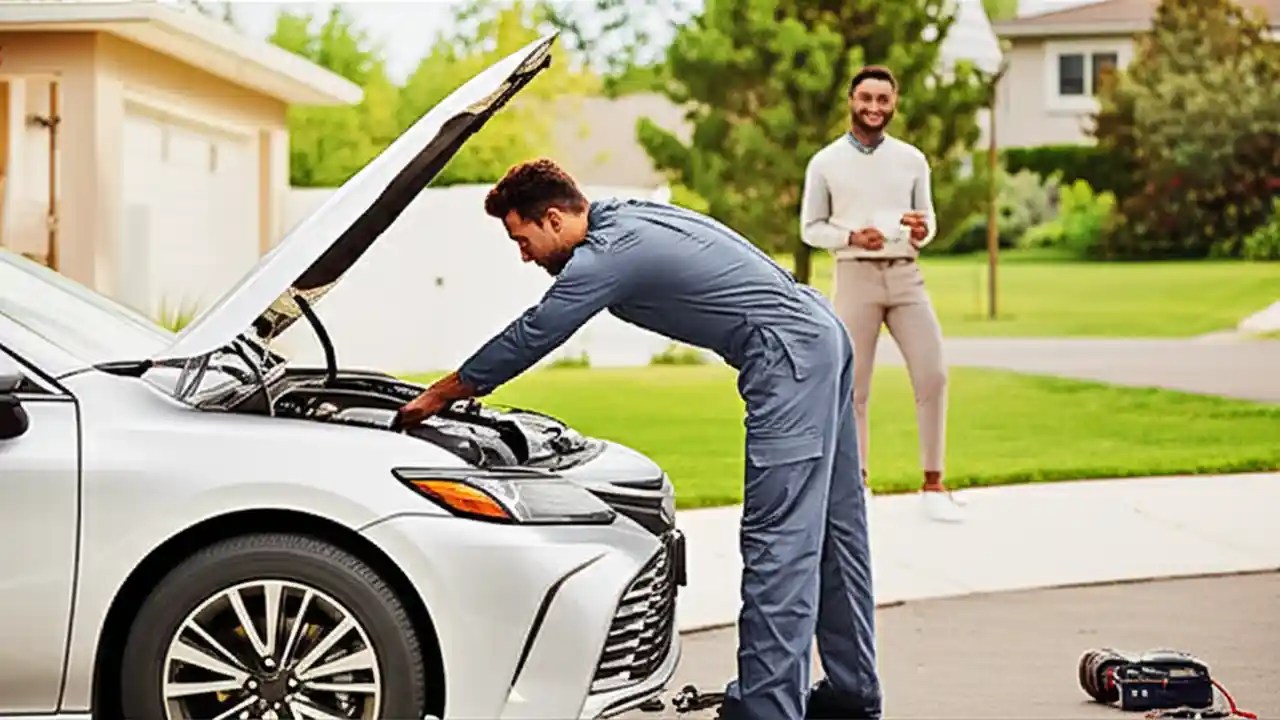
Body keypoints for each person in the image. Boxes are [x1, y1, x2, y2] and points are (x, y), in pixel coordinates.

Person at [395, 159, 883, 720]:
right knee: (836, 529)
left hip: (789, 356)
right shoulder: (627, 218)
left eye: (521, 238)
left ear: (553, 219)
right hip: (819, 334)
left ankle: (768, 710)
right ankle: (852, 695)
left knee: (780, 539)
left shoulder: (605, 256)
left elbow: (538, 329)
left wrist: (442, 393)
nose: (524, 254)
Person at [799, 65, 965, 524]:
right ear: (851, 101)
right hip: (855, 277)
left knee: (932, 374)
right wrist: (852, 237)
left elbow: (926, 222)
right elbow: (810, 228)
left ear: (894, 104)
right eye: (866, 98)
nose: (874, 107)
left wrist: (923, 230)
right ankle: (860, 486)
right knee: (853, 387)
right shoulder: (826, 162)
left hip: (906, 275)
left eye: (883, 100)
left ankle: (934, 483)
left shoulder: (911, 160)